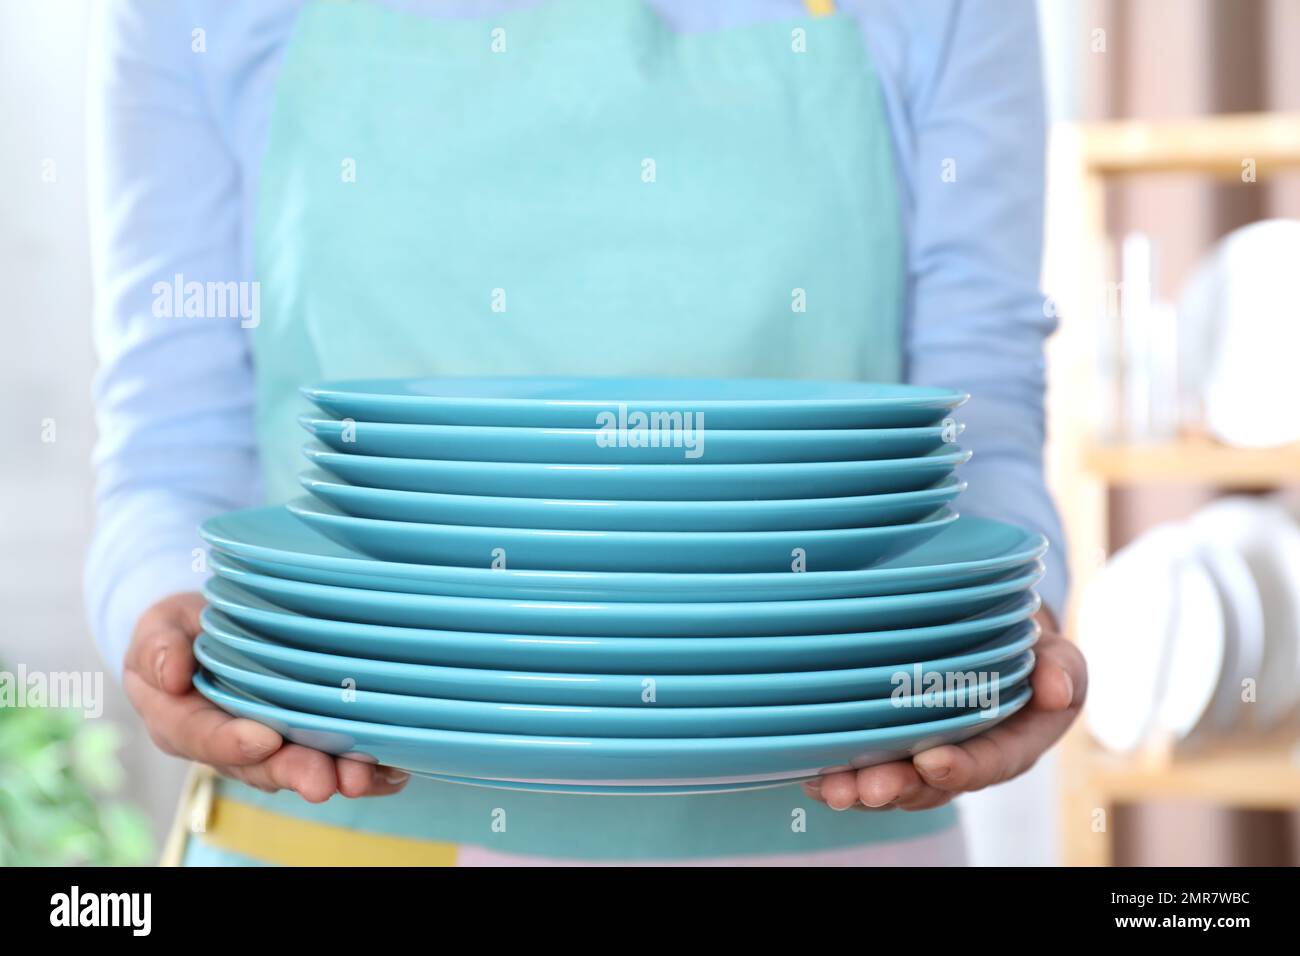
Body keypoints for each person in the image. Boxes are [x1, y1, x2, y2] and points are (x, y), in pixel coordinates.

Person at [87, 0, 1086, 866]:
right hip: (331, 819)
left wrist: (1002, 630)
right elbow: (174, 439)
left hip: (839, 813)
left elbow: (979, 415)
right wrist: (163, 605)